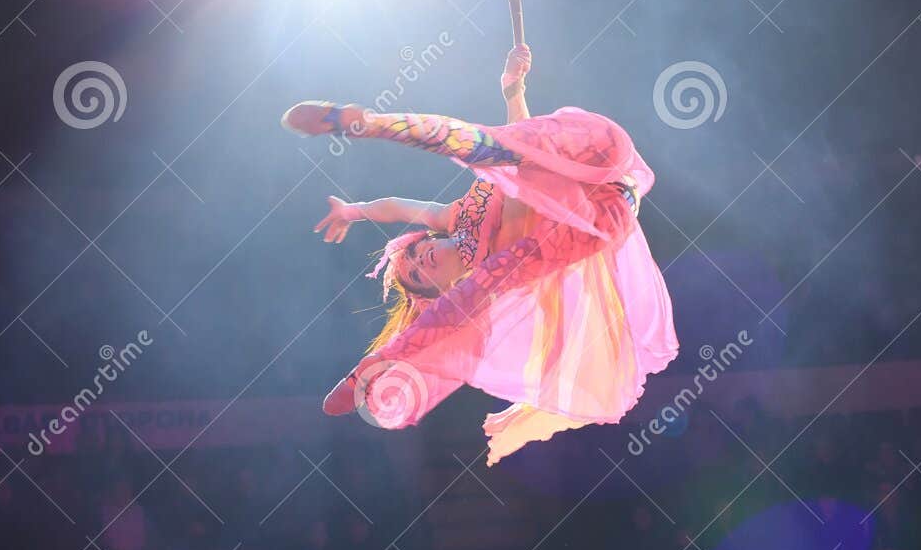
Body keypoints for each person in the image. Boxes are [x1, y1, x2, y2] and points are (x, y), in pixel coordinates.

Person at [282, 45, 678, 465]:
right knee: (486, 279)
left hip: (588, 154)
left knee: (487, 148)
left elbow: (401, 205)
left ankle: (370, 123)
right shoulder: (486, 274)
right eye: (417, 275)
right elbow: (522, 175)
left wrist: (511, 89)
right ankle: (374, 368)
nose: (420, 260)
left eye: (414, 254)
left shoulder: (451, 217)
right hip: (600, 214)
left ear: (426, 238)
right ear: (436, 289)